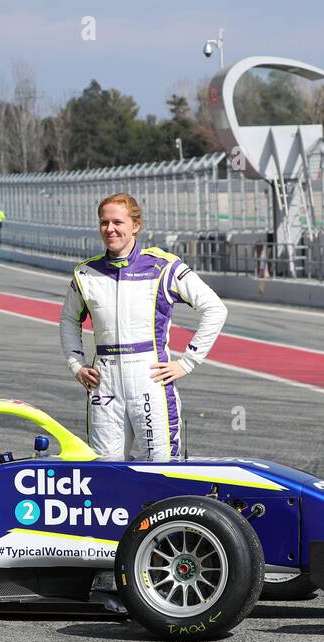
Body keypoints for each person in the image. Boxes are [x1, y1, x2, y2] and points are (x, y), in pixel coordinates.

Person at [59, 193, 227, 461]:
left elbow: (215, 308)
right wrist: (76, 365)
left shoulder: (164, 266)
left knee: (161, 471)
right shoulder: (85, 273)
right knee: (105, 472)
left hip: (150, 382)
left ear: (135, 225)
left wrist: (187, 362)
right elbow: (68, 320)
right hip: (104, 385)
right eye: (104, 223)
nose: (110, 229)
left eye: (118, 222)